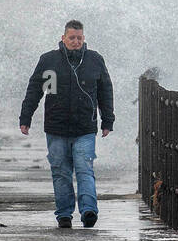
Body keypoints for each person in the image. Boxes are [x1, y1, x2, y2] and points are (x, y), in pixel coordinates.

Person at [18, 20, 115, 228]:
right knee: (60, 172)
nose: (76, 41)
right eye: (72, 38)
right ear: (63, 38)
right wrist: (25, 118)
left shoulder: (94, 60)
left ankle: (89, 211)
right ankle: (64, 214)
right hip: (56, 128)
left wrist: (108, 120)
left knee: (84, 170)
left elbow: (106, 92)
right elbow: (35, 90)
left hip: (85, 129)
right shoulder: (48, 61)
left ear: (84, 38)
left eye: (79, 38)